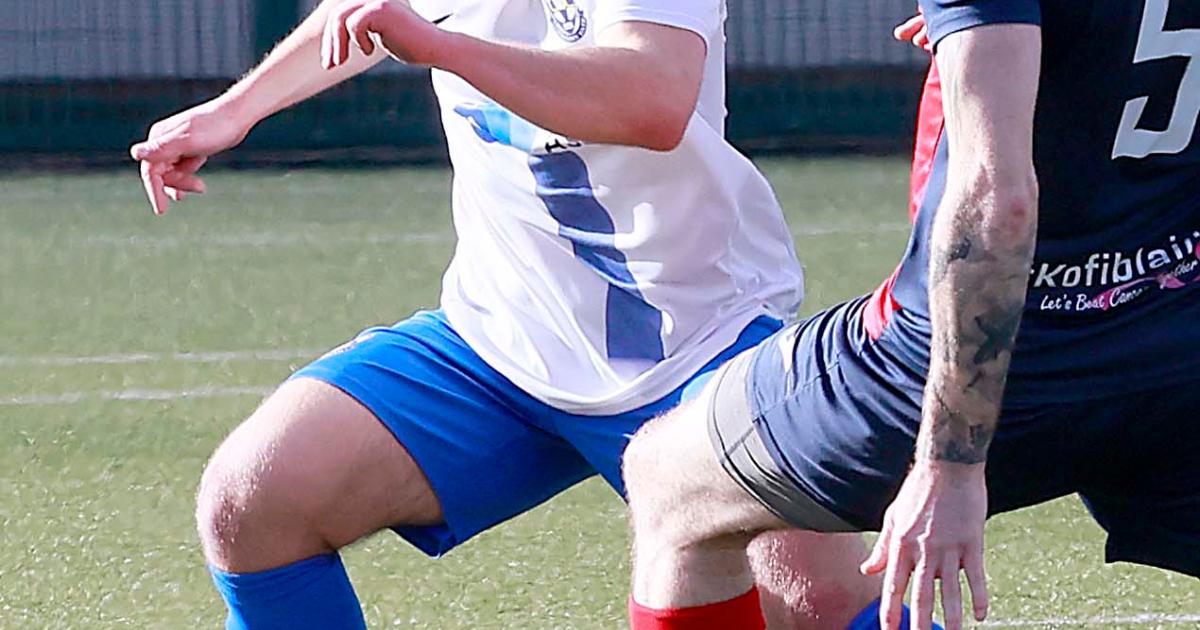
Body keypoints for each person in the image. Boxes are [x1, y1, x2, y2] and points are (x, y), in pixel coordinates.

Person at [130, 1, 913, 628]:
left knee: (817, 606)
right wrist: (238, 110)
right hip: (497, 342)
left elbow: (653, 96)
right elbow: (370, 15)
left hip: (699, 341)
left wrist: (441, 49)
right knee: (253, 503)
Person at [624, 1, 1200, 629]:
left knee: (668, 479)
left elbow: (997, 200)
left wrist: (950, 466)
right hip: (1176, 348)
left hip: (1004, 366)